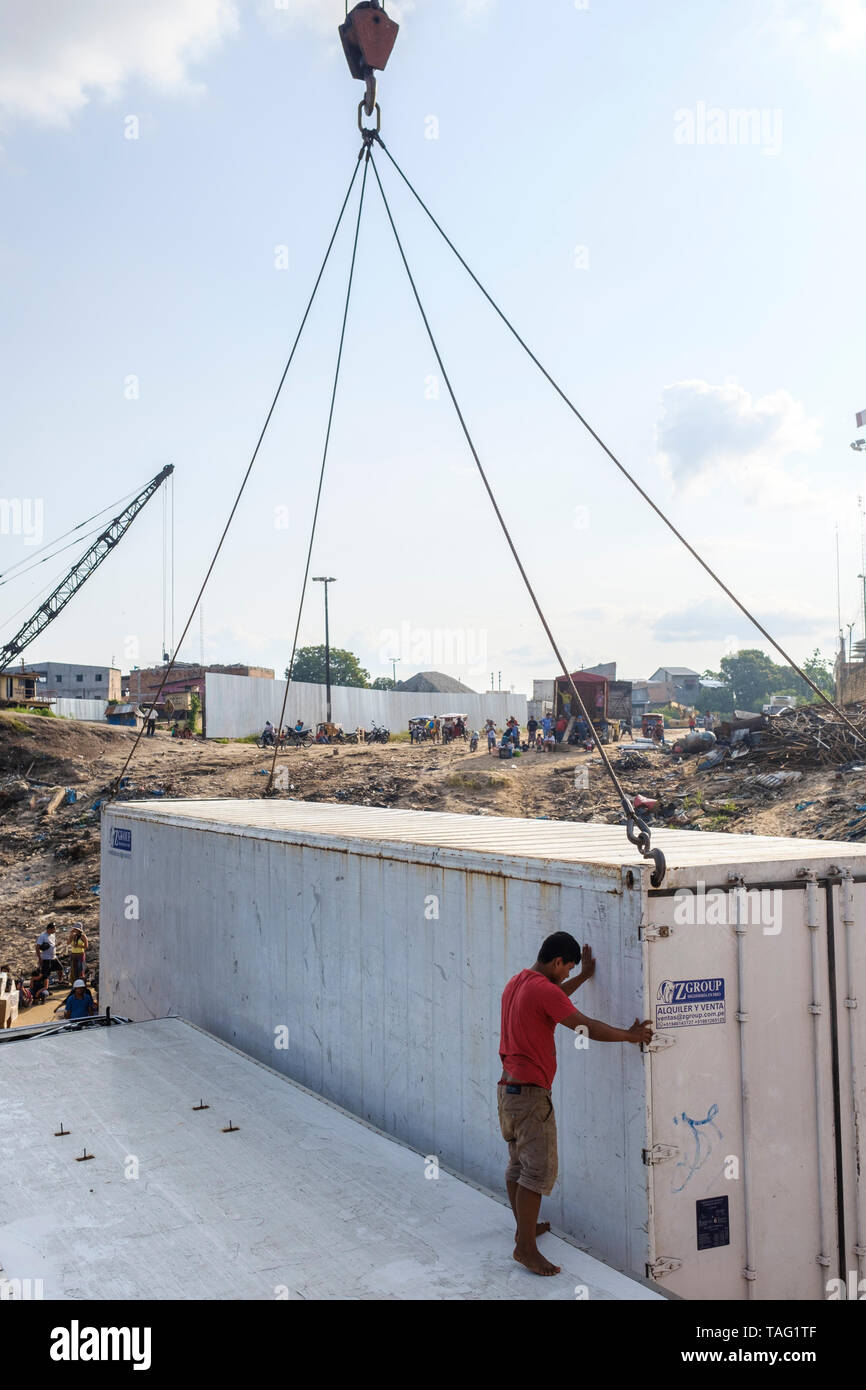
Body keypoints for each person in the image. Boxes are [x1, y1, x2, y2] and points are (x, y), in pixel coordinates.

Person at [498, 932, 653, 1277]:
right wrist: (630, 1036)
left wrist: (583, 976)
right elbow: (586, 1026)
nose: (567, 974)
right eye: (568, 969)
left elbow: (553, 1000)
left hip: (508, 1090)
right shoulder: (543, 990)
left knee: (518, 1166)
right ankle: (525, 1248)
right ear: (556, 962)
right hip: (531, 1095)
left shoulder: (519, 982)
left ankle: (524, 1228)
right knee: (538, 1172)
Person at [35, 924, 58, 990]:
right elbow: (37, 947)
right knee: (45, 974)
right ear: (49, 929)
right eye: (53, 929)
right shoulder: (42, 936)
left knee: (60, 968)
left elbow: (52, 944)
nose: (55, 931)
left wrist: (56, 945)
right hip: (46, 958)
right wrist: (40, 958)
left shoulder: (53, 935)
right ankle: (44, 989)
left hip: (53, 957)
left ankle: (59, 982)